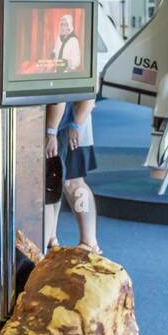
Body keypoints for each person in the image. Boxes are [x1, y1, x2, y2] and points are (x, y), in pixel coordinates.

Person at [44, 97, 99, 253]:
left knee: (73, 181)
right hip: (62, 121)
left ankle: (89, 242)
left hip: (73, 124)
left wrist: (77, 124)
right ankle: (51, 238)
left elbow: (90, 91)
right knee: (56, 181)